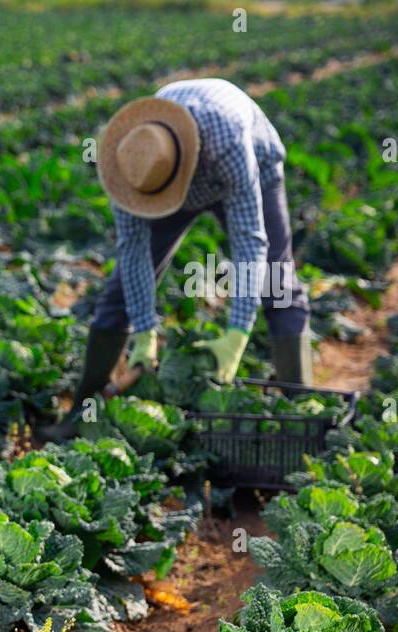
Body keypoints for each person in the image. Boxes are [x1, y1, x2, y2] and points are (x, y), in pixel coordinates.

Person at [40, 78, 312, 442]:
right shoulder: (134, 165)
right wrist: (144, 331)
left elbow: (250, 243)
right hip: (165, 181)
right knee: (120, 291)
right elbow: (134, 252)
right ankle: (82, 413)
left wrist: (236, 335)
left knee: (277, 283)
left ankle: (304, 416)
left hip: (251, 170)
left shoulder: (226, 140)